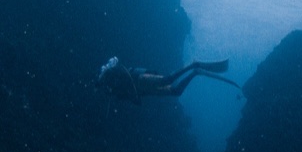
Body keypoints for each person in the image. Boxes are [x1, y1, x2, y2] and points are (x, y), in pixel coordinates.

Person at [95, 56, 241, 104]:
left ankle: (193, 63)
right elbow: (129, 96)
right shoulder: (112, 90)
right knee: (176, 91)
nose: (103, 90)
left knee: (167, 80)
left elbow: (125, 73)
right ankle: (196, 72)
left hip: (139, 79)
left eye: (101, 87)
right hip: (144, 90)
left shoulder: (111, 74)